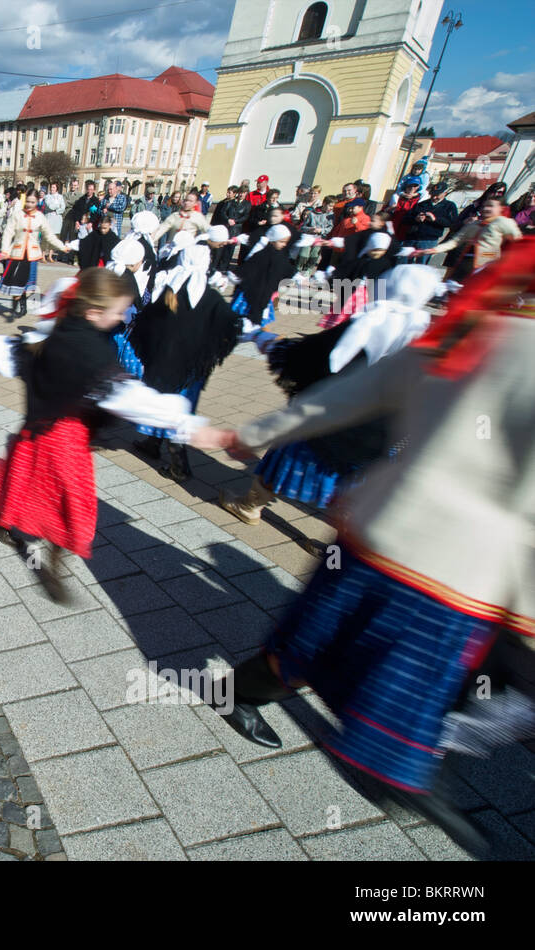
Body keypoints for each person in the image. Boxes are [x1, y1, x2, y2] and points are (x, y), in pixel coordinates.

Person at [202, 241, 535, 856]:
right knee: (405, 698)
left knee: (304, 648)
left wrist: (251, 433)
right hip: (455, 576)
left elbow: (347, 394)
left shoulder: (463, 332)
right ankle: (410, 786)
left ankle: (238, 695)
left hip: (373, 536)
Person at [0, 268, 217, 601]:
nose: (122, 318)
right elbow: (127, 398)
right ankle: (50, 563)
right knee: (68, 503)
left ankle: (4, 525)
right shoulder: (85, 347)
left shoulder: (61, 332)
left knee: (25, 484)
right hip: (61, 439)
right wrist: (188, 426)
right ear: (92, 312)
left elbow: (14, 353)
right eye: (118, 311)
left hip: (39, 434)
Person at [219, 264, 436, 532]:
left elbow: (306, 357)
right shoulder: (428, 331)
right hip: (381, 428)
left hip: (332, 414)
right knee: (356, 481)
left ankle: (250, 505)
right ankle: (341, 533)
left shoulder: (369, 321)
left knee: (287, 458)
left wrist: (261, 337)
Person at [127, 244, 242, 482]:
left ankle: (180, 465)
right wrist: (211, 352)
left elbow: (148, 323)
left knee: (170, 410)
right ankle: (153, 443)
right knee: (176, 408)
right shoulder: (211, 297)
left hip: (164, 364)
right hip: (191, 370)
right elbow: (232, 326)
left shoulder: (171, 292)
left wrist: (146, 345)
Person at [413, 196, 522, 281]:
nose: (486, 208)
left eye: (491, 206)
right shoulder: (474, 225)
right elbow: (455, 241)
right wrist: (433, 250)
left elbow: (519, 242)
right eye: (484, 206)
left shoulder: (503, 222)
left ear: (501, 208)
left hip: (487, 265)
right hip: (466, 264)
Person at [0, 187, 67, 315]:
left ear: (37, 202)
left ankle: (23, 307)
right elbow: (8, 233)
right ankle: (15, 306)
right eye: (28, 202)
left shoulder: (40, 217)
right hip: (17, 253)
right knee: (15, 282)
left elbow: (49, 235)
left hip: (32, 254)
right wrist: (4, 250)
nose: (29, 205)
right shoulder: (17, 215)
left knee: (26, 284)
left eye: (33, 202)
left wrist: (62, 246)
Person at [232, 224, 295, 335]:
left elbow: (286, 268)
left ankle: (263, 336)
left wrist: (296, 276)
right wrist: (235, 276)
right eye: (281, 241)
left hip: (263, 294)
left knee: (261, 319)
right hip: (251, 293)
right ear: (273, 239)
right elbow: (248, 267)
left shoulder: (278, 254)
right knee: (248, 317)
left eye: (285, 242)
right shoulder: (262, 253)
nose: (284, 245)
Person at [401, 181, 458, 253]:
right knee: (404, 262)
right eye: (433, 194)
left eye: (437, 195)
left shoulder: (449, 206)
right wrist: (416, 219)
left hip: (429, 240)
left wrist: (435, 219)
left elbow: (452, 223)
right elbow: (405, 219)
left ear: (445, 193)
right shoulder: (422, 204)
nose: (434, 197)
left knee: (421, 263)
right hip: (412, 237)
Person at [42, 182, 66, 260]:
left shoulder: (60, 197)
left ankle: (50, 255)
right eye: (51, 187)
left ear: (57, 189)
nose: (52, 189)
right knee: (46, 237)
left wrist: (57, 210)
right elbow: (50, 206)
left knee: (55, 237)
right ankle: (43, 255)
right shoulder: (47, 196)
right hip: (49, 218)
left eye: (53, 187)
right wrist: (57, 205)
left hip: (57, 219)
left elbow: (63, 207)